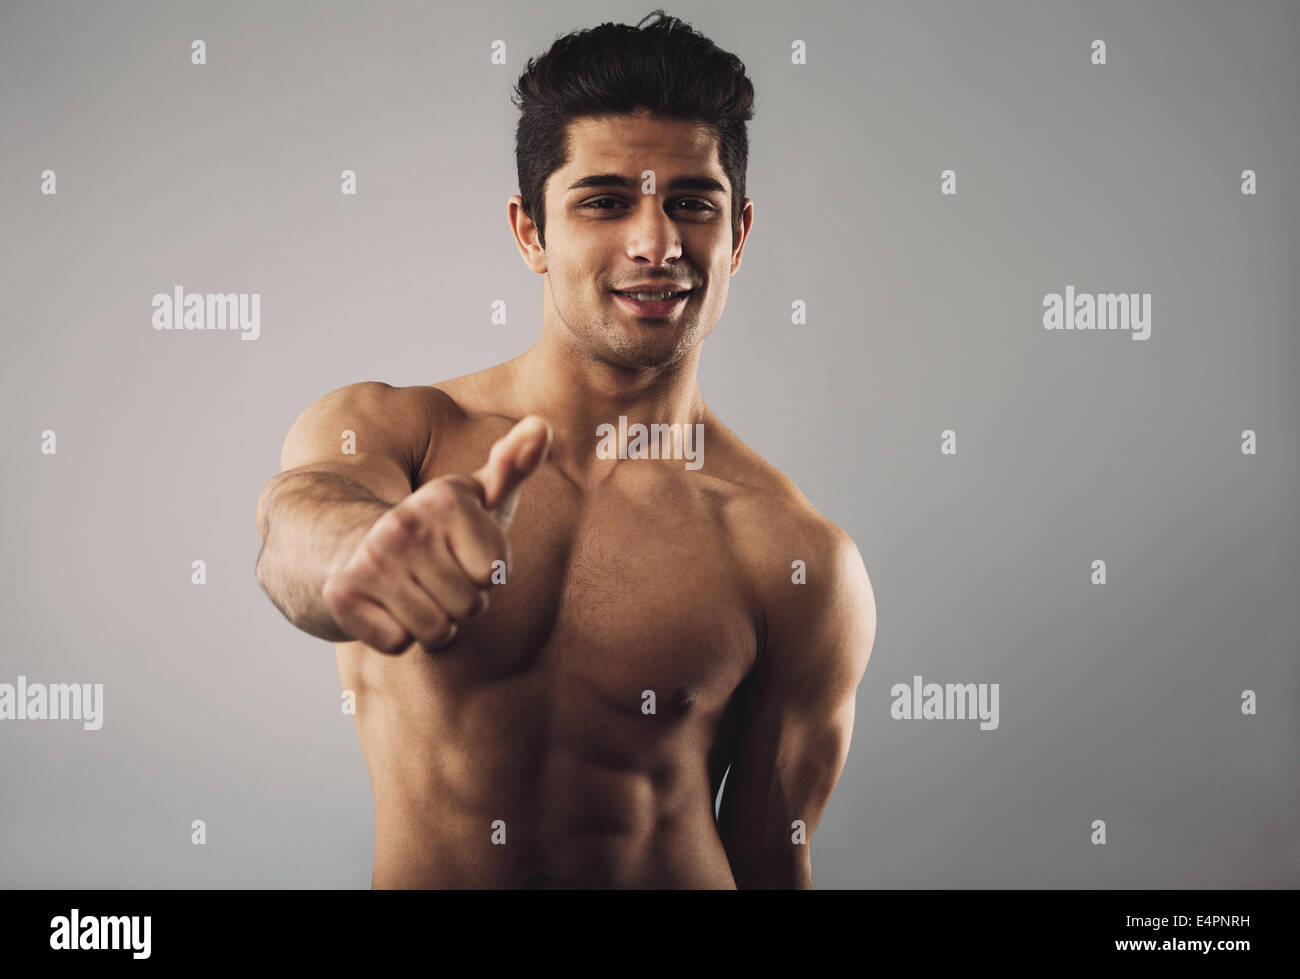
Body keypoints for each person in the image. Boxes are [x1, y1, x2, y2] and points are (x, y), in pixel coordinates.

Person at [255, 9, 875, 888]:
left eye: (692, 203)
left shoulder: (796, 554)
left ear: (736, 235)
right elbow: (295, 532)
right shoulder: (401, 432)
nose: (656, 243)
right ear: (531, 233)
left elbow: (775, 861)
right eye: (606, 200)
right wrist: (366, 550)